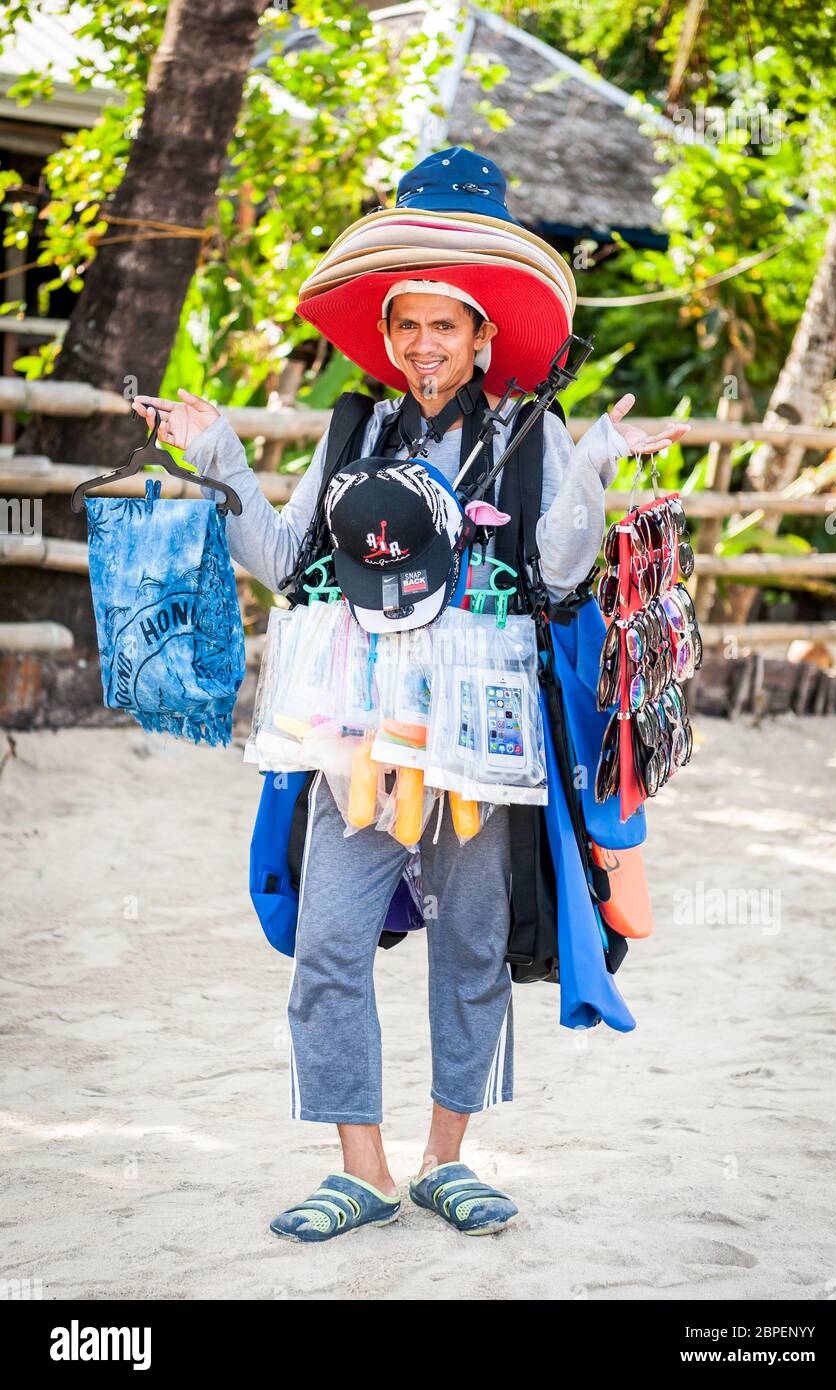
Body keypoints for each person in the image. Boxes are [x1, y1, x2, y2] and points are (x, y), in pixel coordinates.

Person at [132, 152, 688, 1244]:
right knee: (331, 940)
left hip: (479, 746)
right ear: (387, 338)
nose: (425, 346)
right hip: (355, 739)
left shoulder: (530, 438)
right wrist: (223, 460)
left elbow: (563, 571)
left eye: (447, 326)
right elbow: (286, 557)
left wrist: (597, 463)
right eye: (409, 327)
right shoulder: (351, 432)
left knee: (471, 946)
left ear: (484, 337)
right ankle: (360, 1168)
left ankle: (447, 1158)